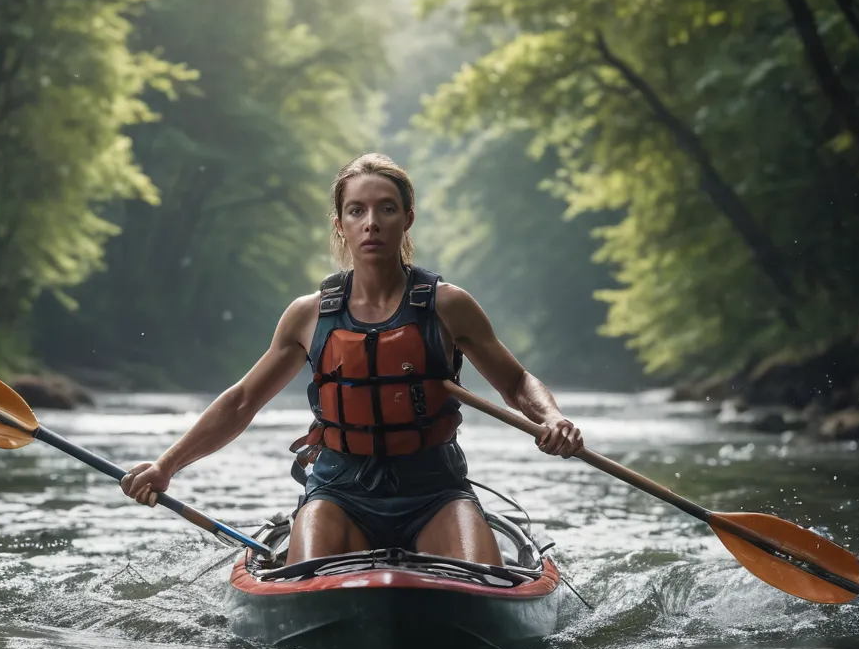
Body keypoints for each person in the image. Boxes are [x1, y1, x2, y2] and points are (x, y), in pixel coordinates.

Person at [121, 153, 583, 565]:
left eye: (386, 208)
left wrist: (552, 418)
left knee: (485, 578)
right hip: (339, 494)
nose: (371, 223)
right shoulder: (307, 315)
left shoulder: (448, 305)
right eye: (357, 210)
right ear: (340, 223)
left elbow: (516, 383)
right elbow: (242, 402)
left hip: (435, 493)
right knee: (307, 579)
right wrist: (166, 466)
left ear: (408, 218)